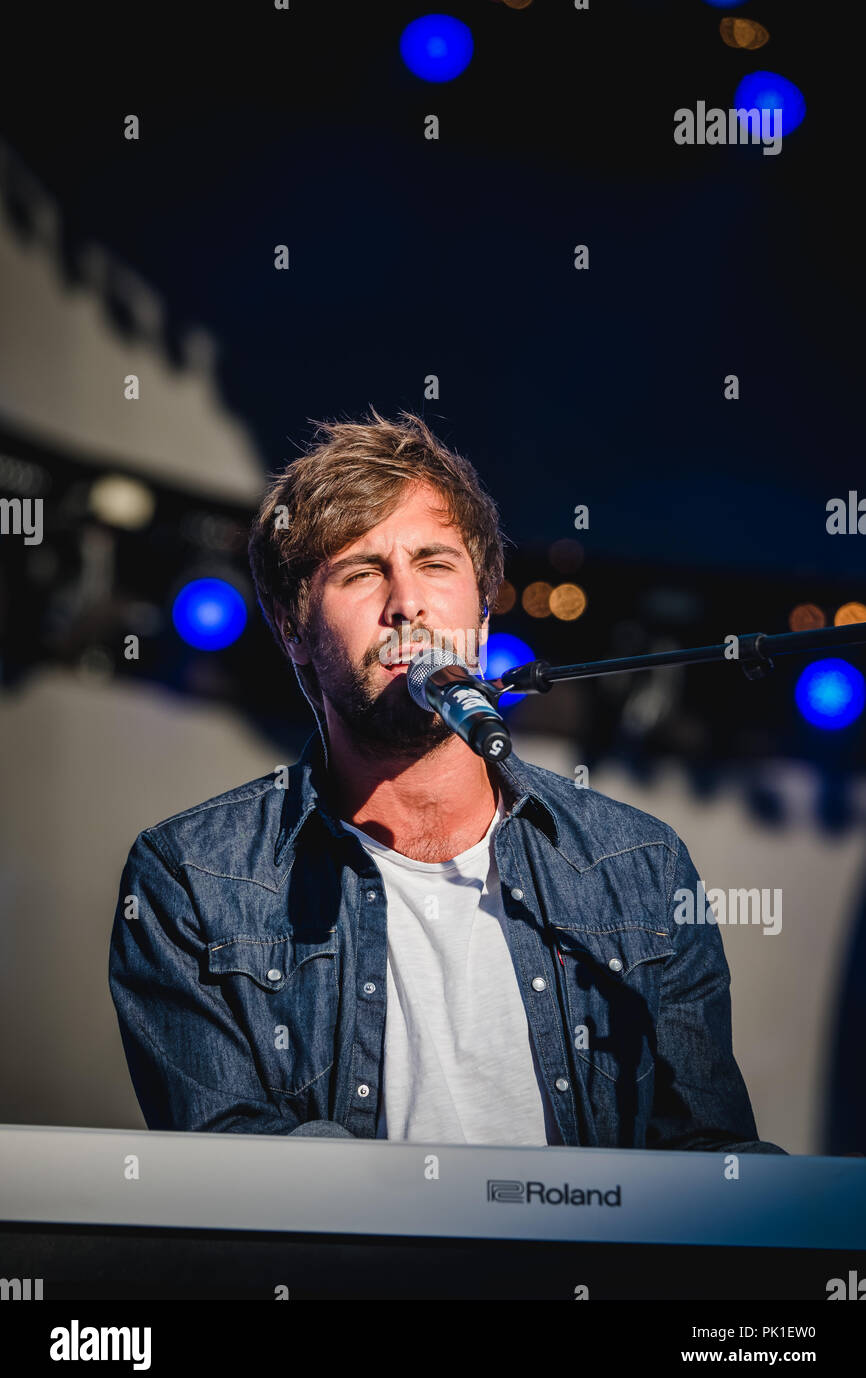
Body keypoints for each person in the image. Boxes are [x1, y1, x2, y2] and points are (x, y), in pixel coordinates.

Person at [109, 408, 786, 1153]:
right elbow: (239, 1178)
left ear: (483, 608)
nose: (408, 604)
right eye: (363, 572)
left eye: (435, 563)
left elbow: (709, 1161)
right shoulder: (192, 879)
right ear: (293, 629)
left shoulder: (642, 866)